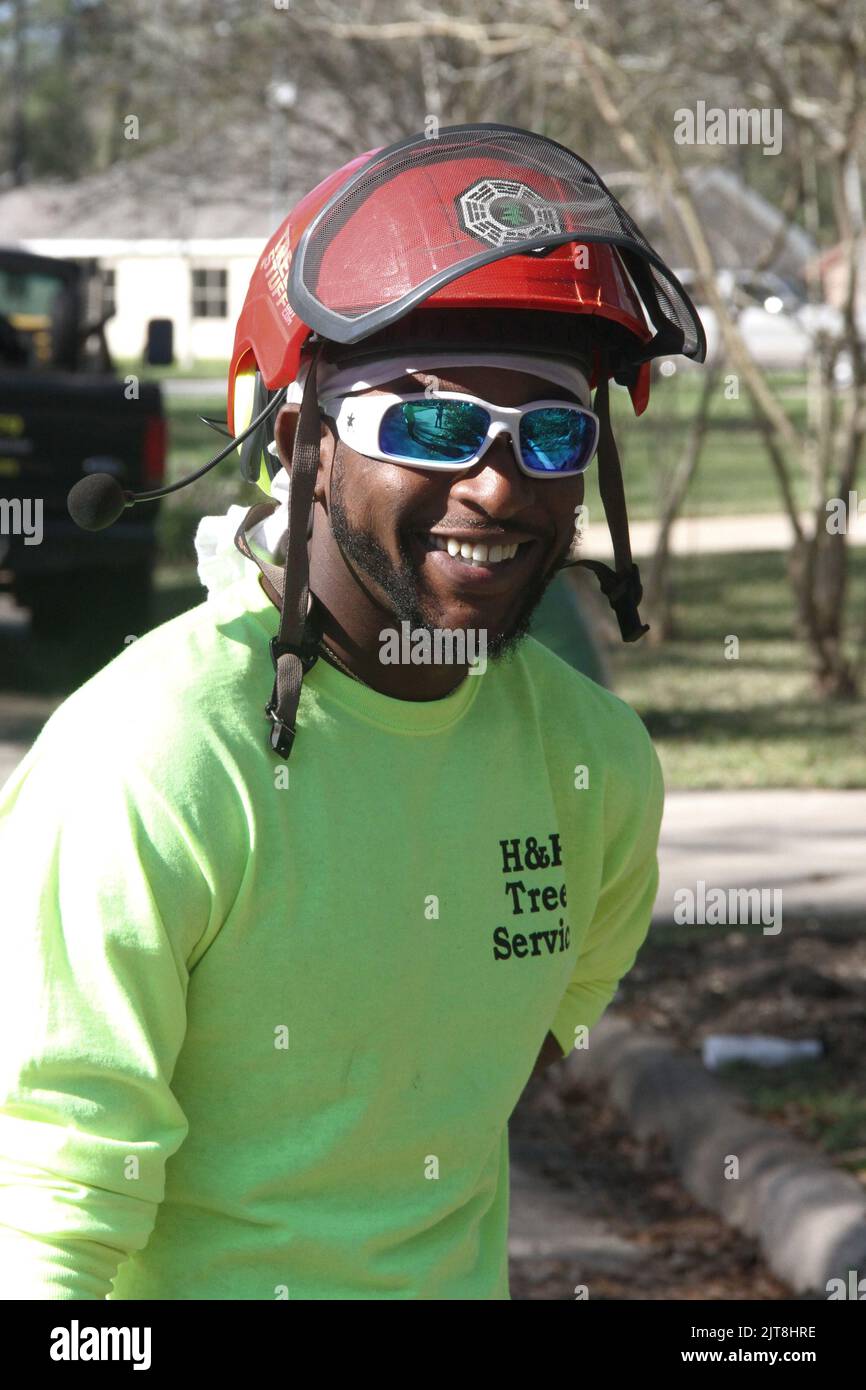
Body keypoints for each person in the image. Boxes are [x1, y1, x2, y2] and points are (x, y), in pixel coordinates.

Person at [0, 124, 705, 1300]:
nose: (497, 481)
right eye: (429, 425)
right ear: (300, 447)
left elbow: (540, 1022)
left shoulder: (595, 767)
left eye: (549, 432)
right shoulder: (150, 760)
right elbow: (45, 1218)